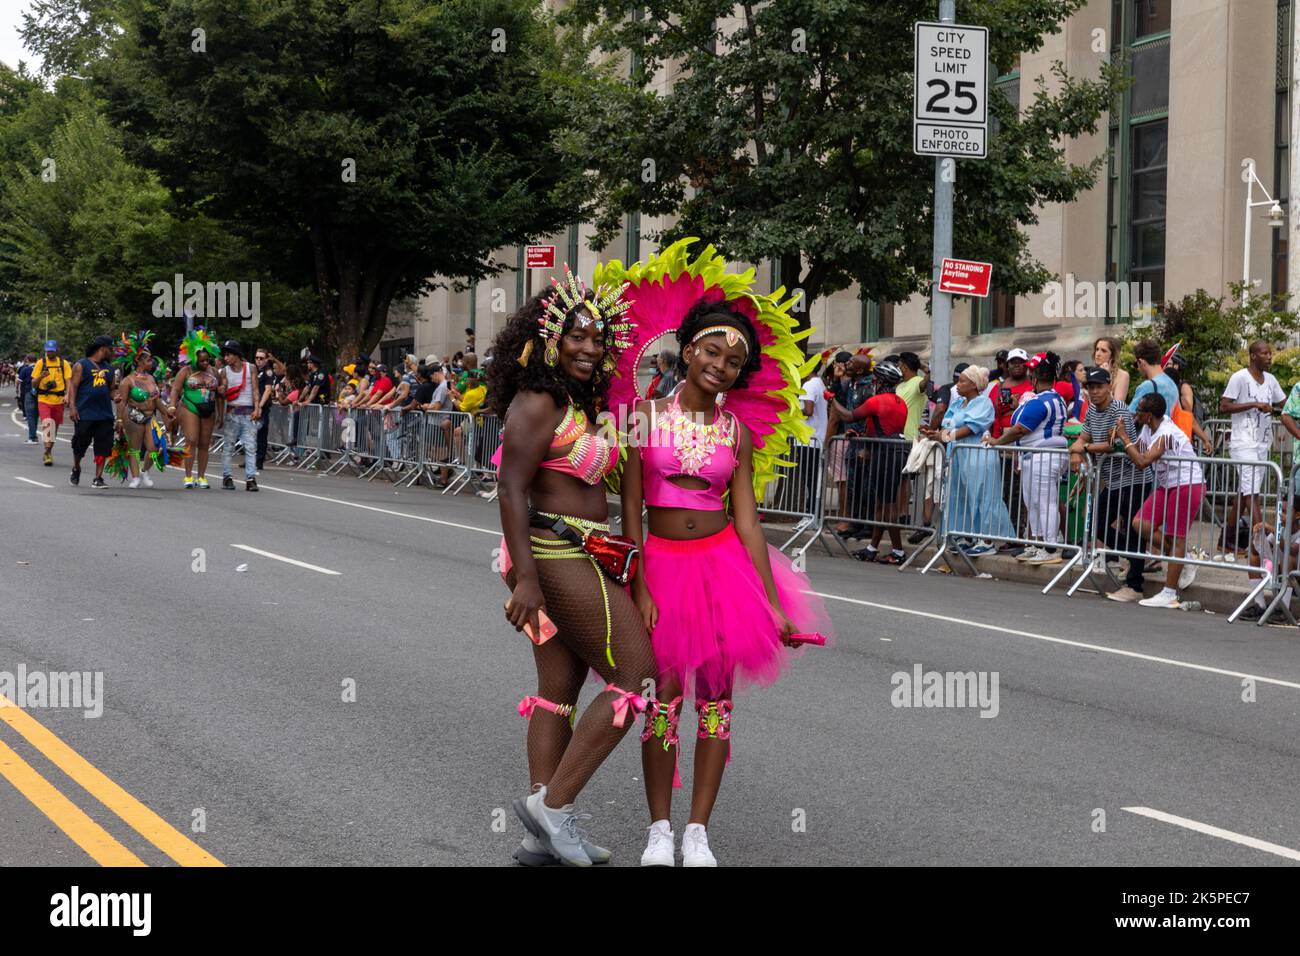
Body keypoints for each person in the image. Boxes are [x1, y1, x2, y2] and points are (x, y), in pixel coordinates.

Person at [620, 296, 830, 868]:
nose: (720, 365)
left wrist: (770, 603)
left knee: (716, 702)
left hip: (721, 570)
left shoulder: (736, 431)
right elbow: (631, 509)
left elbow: (747, 522)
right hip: (661, 567)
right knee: (661, 700)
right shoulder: (643, 416)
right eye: (712, 351)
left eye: (733, 362)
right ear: (688, 351)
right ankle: (659, 828)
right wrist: (638, 585)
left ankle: (697, 832)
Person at [490, 268, 655, 868]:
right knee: (637, 674)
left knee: (558, 693)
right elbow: (510, 487)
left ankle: (542, 836)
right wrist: (527, 579)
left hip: (580, 552)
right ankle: (554, 810)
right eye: (576, 336)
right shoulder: (538, 400)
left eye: (598, 338)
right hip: (553, 554)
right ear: (550, 339)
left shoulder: (582, 403)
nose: (589, 348)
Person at [1117, 393, 1205, 609]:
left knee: (1177, 538)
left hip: (1187, 483)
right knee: (1141, 523)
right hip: (1167, 485)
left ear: (1149, 415)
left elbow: (1142, 461)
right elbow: (1137, 451)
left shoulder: (1165, 433)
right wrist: (1121, 439)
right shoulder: (1148, 429)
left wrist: (1124, 438)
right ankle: (1183, 560)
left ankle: (1169, 593)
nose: (1136, 413)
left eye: (1139, 410)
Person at [1070, 366, 1151, 601]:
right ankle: (1133, 556)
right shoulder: (1093, 411)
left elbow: (1111, 444)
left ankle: (1135, 586)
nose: (1094, 392)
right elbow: (1085, 435)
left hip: (1133, 479)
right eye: (1090, 387)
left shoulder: (1120, 410)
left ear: (1108, 387)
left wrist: (1082, 448)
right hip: (1113, 481)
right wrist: (1077, 448)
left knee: (1135, 532)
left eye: (1098, 387)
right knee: (1099, 524)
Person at [986, 351, 1069, 565]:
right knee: (1034, 502)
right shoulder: (1052, 398)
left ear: (1034, 378)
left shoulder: (1040, 401)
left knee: (1044, 503)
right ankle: (1038, 545)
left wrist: (997, 441)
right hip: (1037, 456)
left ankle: (1050, 548)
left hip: (1043, 456)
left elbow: (1019, 429)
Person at [922, 364, 1013, 556]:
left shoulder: (983, 403)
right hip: (958, 455)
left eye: (963, 381)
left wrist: (945, 437)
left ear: (974, 385)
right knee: (960, 496)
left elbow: (971, 428)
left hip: (977, 454)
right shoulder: (957, 403)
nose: (958, 384)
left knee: (982, 494)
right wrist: (934, 433)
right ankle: (965, 535)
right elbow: (948, 426)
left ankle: (987, 540)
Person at [832, 361, 909, 564]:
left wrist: (832, 399)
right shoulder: (900, 402)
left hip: (886, 453)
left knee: (888, 506)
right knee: (881, 505)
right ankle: (872, 547)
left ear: (880, 381)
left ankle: (898, 552)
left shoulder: (877, 400)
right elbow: (883, 425)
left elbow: (848, 415)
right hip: (895, 449)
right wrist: (861, 436)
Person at [1218, 341, 1285, 561]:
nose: (1269, 356)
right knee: (1252, 495)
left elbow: (1285, 403)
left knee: (1245, 492)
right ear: (1253, 356)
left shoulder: (1272, 380)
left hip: (1262, 444)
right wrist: (1253, 405)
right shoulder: (1239, 377)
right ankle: (1262, 545)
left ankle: (1226, 541)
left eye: (1270, 353)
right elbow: (1224, 406)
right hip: (1243, 443)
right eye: (1264, 353)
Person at [112, 331, 167, 488]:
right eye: (149, 360)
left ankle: (145, 471)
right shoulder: (127, 381)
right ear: (140, 361)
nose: (152, 362)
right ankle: (135, 477)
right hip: (133, 416)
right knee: (134, 448)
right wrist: (120, 420)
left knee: (154, 447)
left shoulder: (151, 378)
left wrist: (166, 413)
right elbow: (121, 402)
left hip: (150, 417)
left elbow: (156, 399)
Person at [170, 330, 221, 489]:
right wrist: (172, 405)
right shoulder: (186, 371)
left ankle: (202, 476)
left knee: (205, 443)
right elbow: (175, 390)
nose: (205, 363)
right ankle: (188, 476)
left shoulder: (213, 372)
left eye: (207, 360)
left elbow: (219, 394)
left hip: (209, 409)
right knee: (191, 440)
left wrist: (220, 413)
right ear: (194, 358)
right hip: (189, 407)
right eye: (202, 361)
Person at [66, 336, 118, 488]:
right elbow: (73, 387)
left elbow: (111, 391)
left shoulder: (110, 369)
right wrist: (73, 407)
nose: (112, 352)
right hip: (85, 413)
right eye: (111, 349)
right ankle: (76, 468)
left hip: (104, 414)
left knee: (103, 447)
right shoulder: (81, 365)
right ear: (102, 348)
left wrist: (117, 397)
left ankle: (98, 478)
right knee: (79, 444)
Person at [217, 340, 259, 491]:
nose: (226, 358)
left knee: (250, 447)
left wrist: (257, 408)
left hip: (248, 413)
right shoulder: (224, 371)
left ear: (236, 355)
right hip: (232, 413)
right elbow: (222, 392)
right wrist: (221, 390)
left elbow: (255, 389)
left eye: (228, 355)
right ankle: (227, 477)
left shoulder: (251, 368)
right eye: (225, 355)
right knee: (228, 446)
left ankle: (251, 478)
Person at [31, 340, 73, 466]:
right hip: (43, 398)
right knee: (48, 423)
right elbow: (33, 384)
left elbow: (68, 382)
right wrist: (40, 377)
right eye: (47, 350)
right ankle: (47, 452)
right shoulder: (40, 363)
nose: (49, 353)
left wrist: (67, 395)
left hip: (58, 400)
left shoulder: (63, 363)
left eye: (52, 350)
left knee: (54, 429)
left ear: (56, 350)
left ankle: (48, 451)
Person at [1131, 340, 1180, 422]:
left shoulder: (1148, 386)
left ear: (1141, 362)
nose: (1138, 369)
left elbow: (1128, 417)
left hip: (1150, 434)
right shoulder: (1171, 383)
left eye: (1137, 364)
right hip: (1168, 433)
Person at [254, 348, 278, 471]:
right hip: (255, 405)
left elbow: (268, 390)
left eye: (261, 358)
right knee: (252, 433)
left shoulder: (268, 371)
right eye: (257, 358)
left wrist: (260, 406)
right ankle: (252, 459)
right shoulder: (258, 371)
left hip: (262, 406)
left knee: (261, 434)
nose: (258, 360)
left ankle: (259, 461)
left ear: (266, 359)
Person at [1093, 336, 1130, 404]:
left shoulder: (1122, 375)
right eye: (1097, 349)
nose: (1098, 354)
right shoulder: (1092, 373)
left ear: (1113, 355)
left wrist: (1106, 378)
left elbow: (1117, 406)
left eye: (1103, 351)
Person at [17, 353, 37, 443]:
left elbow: (19, 381)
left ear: (28, 360)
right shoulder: (40, 368)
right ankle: (35, 436)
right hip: (41, 394)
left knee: (30, 416)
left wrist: (17, 389)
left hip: (29, 393)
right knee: (36, 416)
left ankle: (32, 437)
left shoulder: (25, 369)